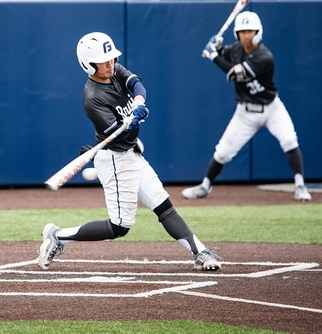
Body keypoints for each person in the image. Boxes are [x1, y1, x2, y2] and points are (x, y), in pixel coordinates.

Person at [37, 32, 222, 272]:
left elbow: (136, 84)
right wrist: (132, 123)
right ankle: (58, 235)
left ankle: (200, 252)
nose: (110, 64)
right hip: (116, 160)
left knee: (163, 206)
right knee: (120, 227)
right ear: (88, 64)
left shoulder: (113, 70)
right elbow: (120, 135)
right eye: (103, 62)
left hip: (132, 154)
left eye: (111, 59)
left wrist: (138, 102)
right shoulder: (92, 98)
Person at [184, 11, 312, 202]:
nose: (246, 36)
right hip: (246, 111)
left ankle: (300, 186)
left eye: (250, 31)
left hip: (272, 108)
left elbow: (235, 74)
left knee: (289, 141)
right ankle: (205, 186)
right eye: (242, 32)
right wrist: (216, 47)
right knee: (223, 151)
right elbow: (223, 52)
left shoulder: (264, 56)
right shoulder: (236, 49)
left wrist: (214, 57)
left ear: (258, 32)